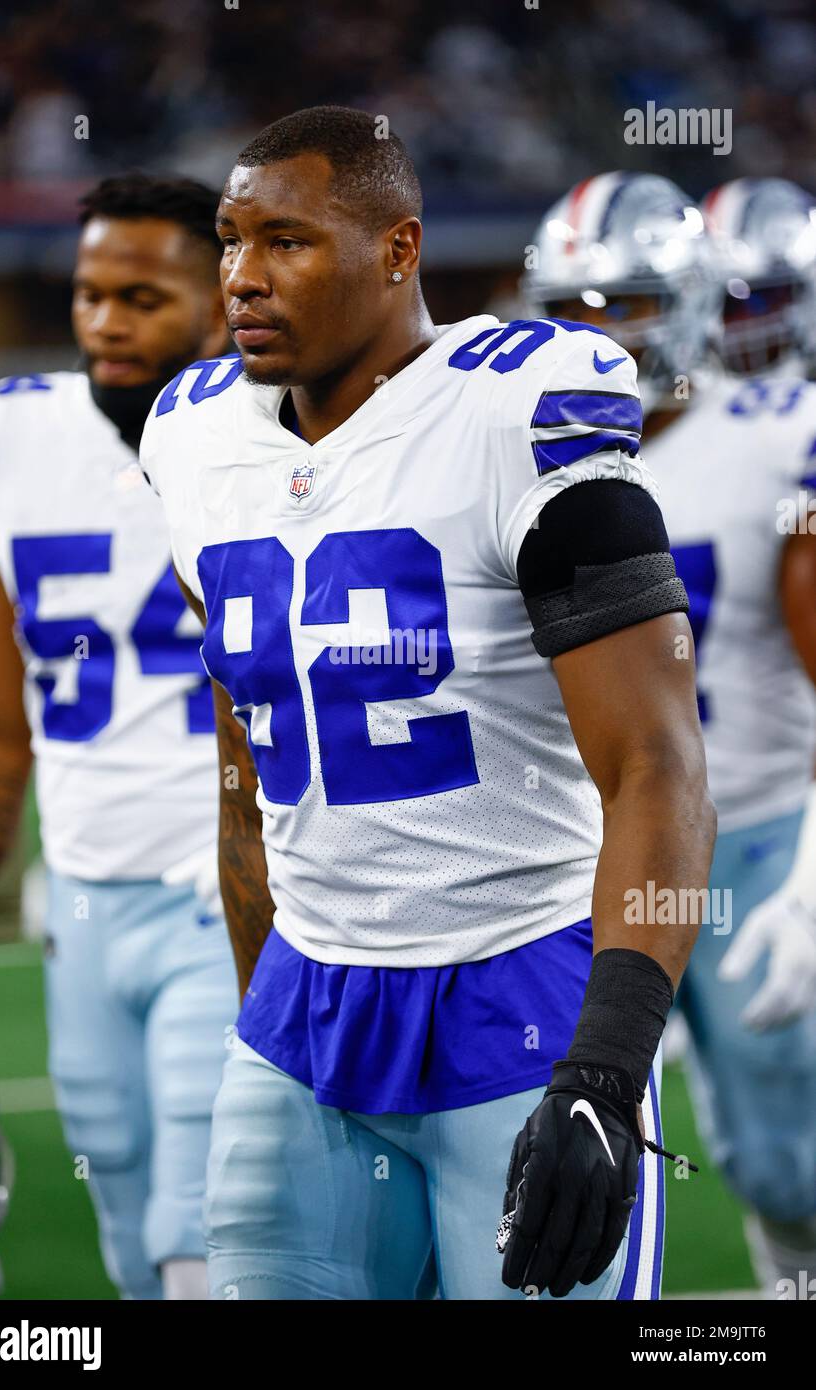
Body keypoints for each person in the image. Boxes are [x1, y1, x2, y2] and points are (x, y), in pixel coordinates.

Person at [141, 107, 715, 1301]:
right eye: (229, 240)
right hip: (305, 1006)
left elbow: (656, 768)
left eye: (287, 241)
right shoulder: (193, 436)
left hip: (518, 993)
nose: (242, 276)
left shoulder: (520, 413)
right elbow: (245, 759)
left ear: (398, 251)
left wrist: (604, 1071)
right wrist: (270, 1002)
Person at [0, 174, 239, 1301]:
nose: (106, 324)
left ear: (221, 302)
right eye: (87, 295)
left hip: (229, 894)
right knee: (121, 1213)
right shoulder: (2, 436)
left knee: (199, 1233)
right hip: (82, 901)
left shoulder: (281, 434)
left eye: (141, 297)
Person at [527, 170, 816, 1293]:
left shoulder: (773, 438)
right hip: (579, 853)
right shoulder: (517, 449)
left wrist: (808, 877)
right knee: (558, 1155)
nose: (599, 335)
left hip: (751, 834)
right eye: (575, 309)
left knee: (785, 1168)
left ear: (692, 300)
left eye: (630, 302)